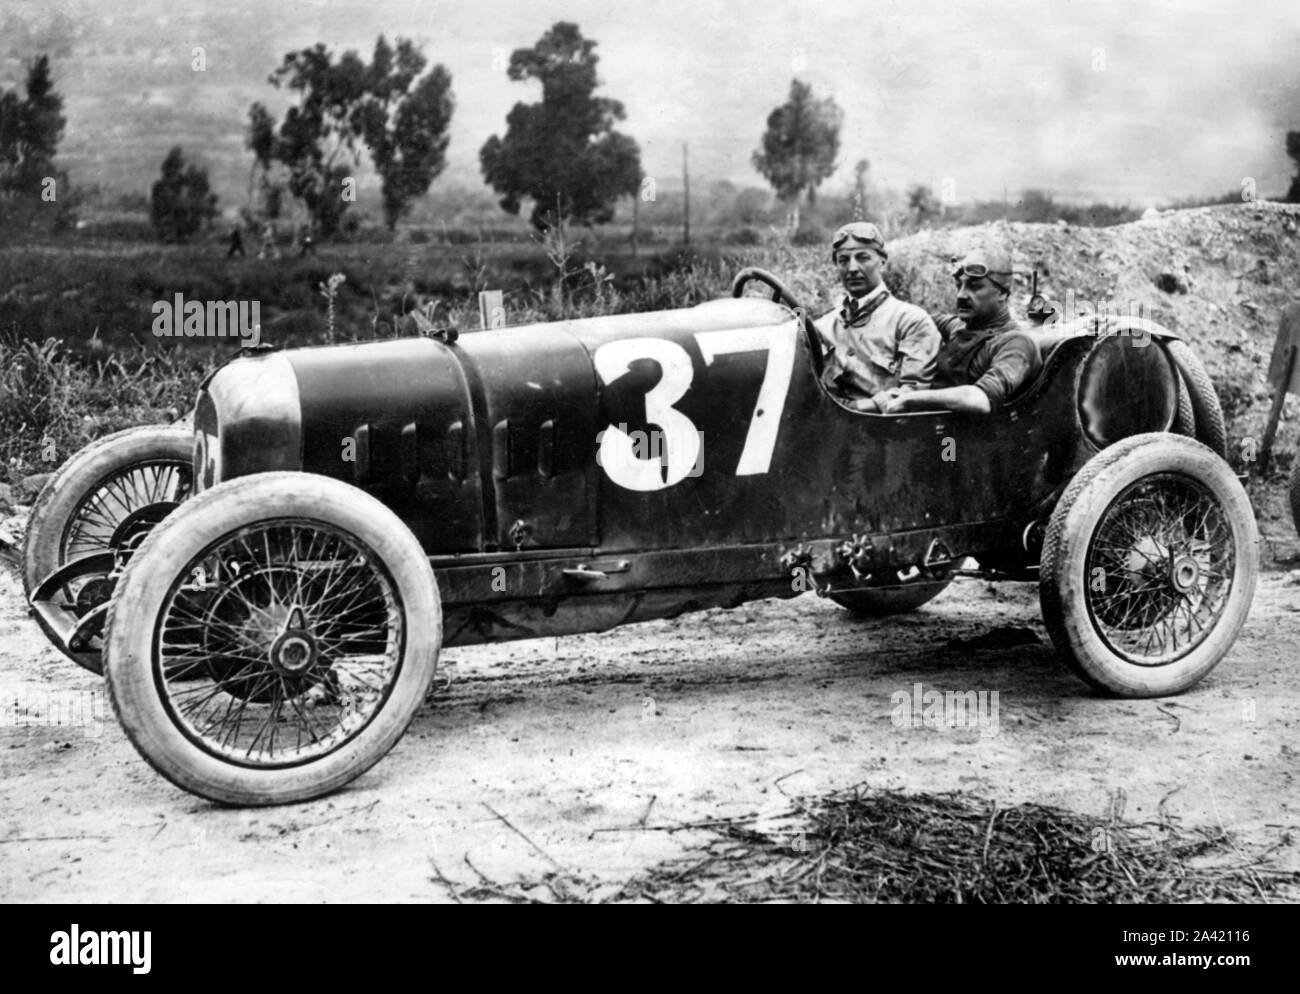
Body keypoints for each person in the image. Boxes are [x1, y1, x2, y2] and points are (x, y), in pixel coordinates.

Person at [883, 247, 1041, 414]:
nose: (961, 295)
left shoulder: (1016, 344)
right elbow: (913, 320)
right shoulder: (957, 326)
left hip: (971, 437)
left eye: (975, 286)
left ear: (1002, 293)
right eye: (959, 285)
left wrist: (911, 399)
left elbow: (980, 399)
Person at [813, 222, 940, 413]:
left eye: (863, 258)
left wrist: (856, 407)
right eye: (843, 260)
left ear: (882, 260)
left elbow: (912, 392)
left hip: (887, 432)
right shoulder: (821, 328)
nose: (852, 268)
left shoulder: (910, 321)